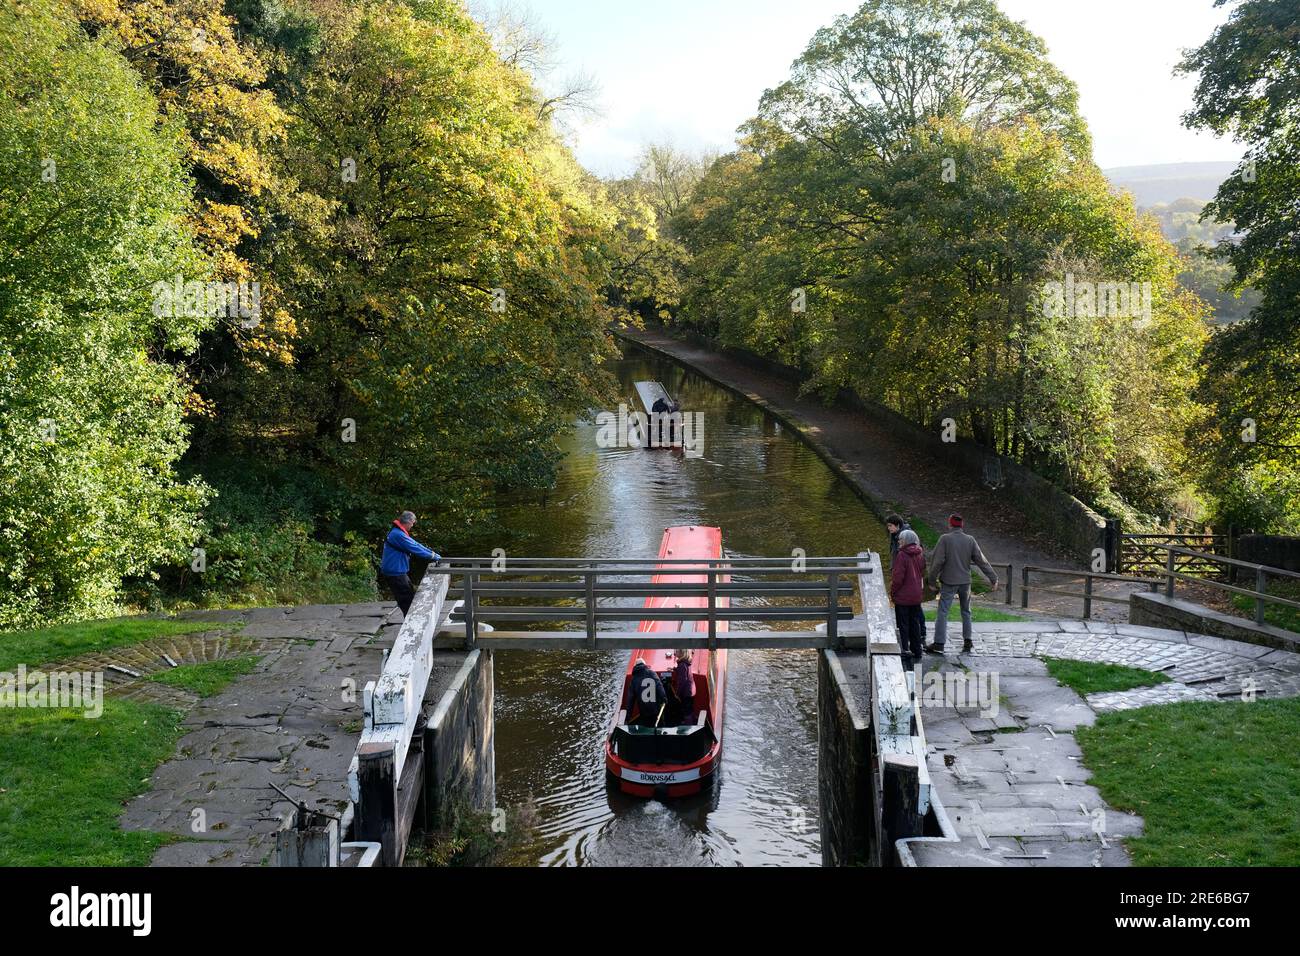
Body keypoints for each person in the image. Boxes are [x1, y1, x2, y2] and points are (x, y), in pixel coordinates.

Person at [927, 514, 998, 655]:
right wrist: (993, 578)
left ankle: (939, 643)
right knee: (966, 612)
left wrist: (931, 580)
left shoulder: (945, 539)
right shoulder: (970, 540)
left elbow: (937, 562)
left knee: (943, 612)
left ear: (950, 525)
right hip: (965, 582)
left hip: (949, 581)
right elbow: (981, 561)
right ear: (961, 526)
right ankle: (968, 640)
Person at [380, 511, 441, 617]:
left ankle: (410, 623)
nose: (412, 525)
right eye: (412, 523)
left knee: (409, 598)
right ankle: (410, 629)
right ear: (407, 522)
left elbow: (416, 544)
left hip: (398, 572)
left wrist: (434, 554)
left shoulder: (398, 532)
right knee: (407, 603)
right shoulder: (397, 535)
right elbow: (415, 548)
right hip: (395, 573)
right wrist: (434, 557)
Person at [890, 530, 926, 668]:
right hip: (916, 594)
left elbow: (898, 578)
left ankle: (905, 649)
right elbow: (922, 570)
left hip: (903, 596)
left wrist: (893, 592)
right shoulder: (920, 553)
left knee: (903, 624)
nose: (898, 542)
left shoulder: (902, 555)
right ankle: (917, 650)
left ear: (906, 541)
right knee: (915, 623)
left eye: (900, 540)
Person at [626, 658, 668, 726]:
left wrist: (628, 715)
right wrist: (664, 698)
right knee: (659, 724)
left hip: (644, 711)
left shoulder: (634, 679)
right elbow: (659, 686)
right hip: (655, 708)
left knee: (647, 725)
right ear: (644, 664)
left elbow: (631, 698)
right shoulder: (652, 673)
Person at [669, 649, 696, 725]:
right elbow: (684, 672)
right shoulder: (686, 662)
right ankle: (691, 722)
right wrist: (675, 669)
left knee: (686, 710)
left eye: (677, 651)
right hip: (691, 690)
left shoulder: (682, 665)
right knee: (689, 709)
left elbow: (682, 681)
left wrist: (677, 694)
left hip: (687, 692)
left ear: (681, 653)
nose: (675, 653)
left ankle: (688, 726)